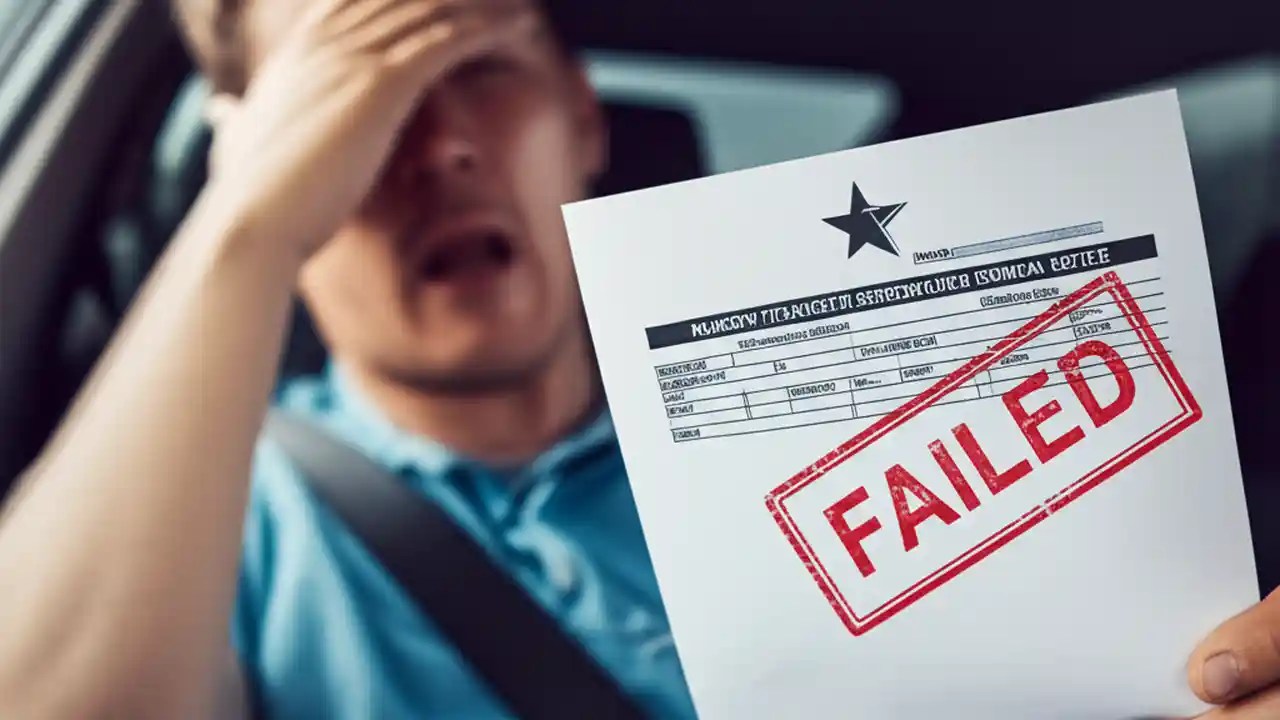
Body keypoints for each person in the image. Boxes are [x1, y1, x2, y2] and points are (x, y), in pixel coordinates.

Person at [0, 0, 1273, 717]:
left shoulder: (873, 428)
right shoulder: (203, 527)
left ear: (582, 117)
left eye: (471, 64)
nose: (429, 141)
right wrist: (244, 225)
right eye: (356, 83)